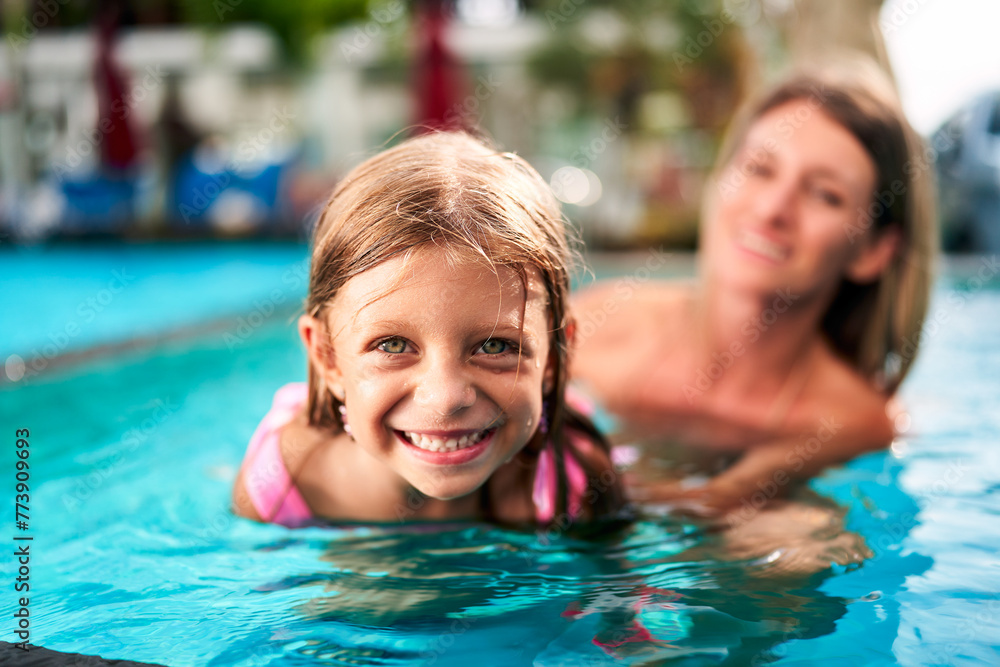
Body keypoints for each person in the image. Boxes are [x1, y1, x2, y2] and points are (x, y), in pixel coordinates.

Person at [570, 59, 936, 515]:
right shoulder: (592, 326)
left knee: (804, 545)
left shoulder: (853, 419)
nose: (771, 209)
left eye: (825, 194)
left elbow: (717, 506)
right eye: (760, 169)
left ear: (874, 250)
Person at [232, 131, 622, 527]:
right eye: (394, 344)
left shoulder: (572, 484)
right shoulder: (287, 484)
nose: (445, 398)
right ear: (328, 357)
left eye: (494, 347)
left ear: (556, 357)